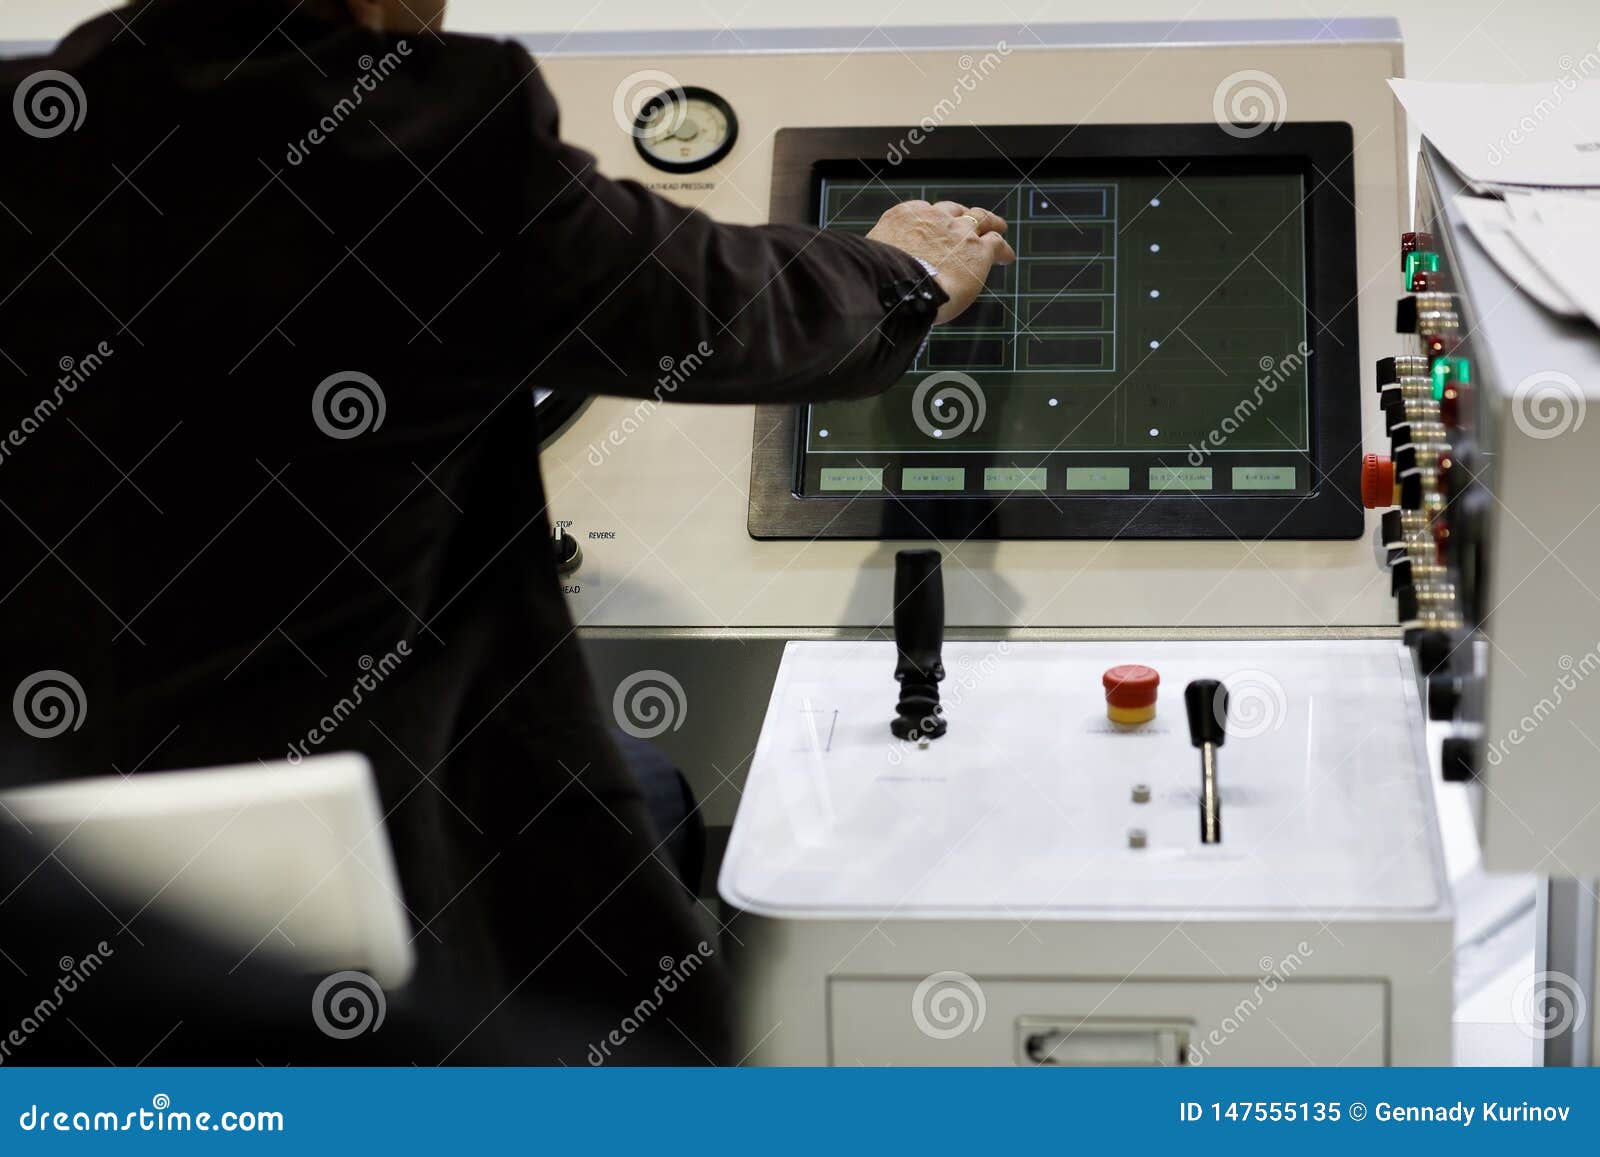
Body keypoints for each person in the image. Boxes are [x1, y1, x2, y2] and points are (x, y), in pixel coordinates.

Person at [0, 0, 1012, 1064]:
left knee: (653, 783)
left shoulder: (38, 120)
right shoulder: (427, 132)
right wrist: (902, 273)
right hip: (327, 862)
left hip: (46, 844)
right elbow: (715, 303)